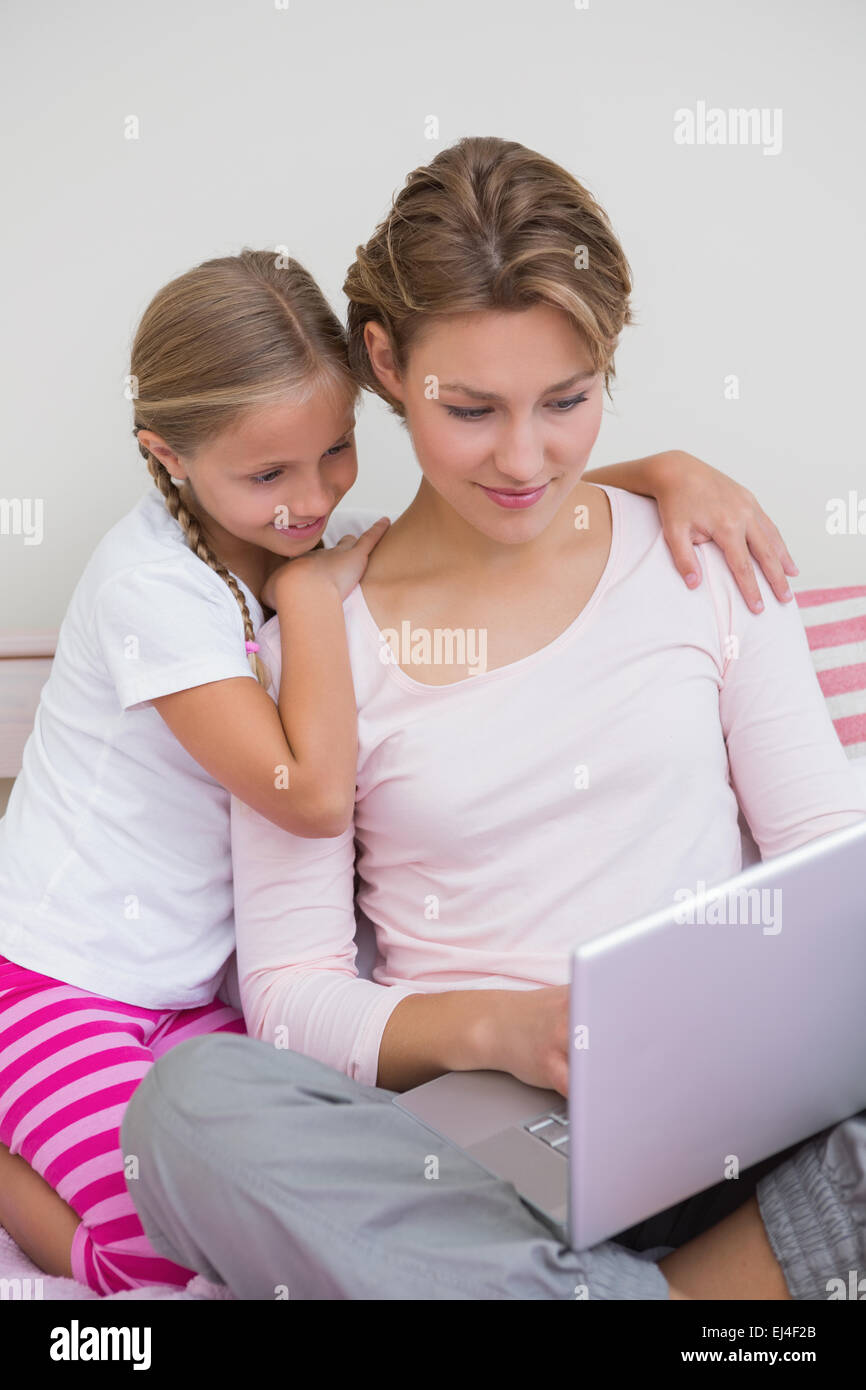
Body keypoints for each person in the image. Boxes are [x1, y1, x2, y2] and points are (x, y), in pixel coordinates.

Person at [120, 136, 866, 1301]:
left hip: (756, 1129)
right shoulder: (315, 638)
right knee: (187, 1110)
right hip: (483, 1165)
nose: (524, 459)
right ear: (382, 360)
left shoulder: (700, 556)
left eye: (565, 401)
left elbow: (828, 853)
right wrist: (505, 1033)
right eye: (468, 408)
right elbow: (291, 993)